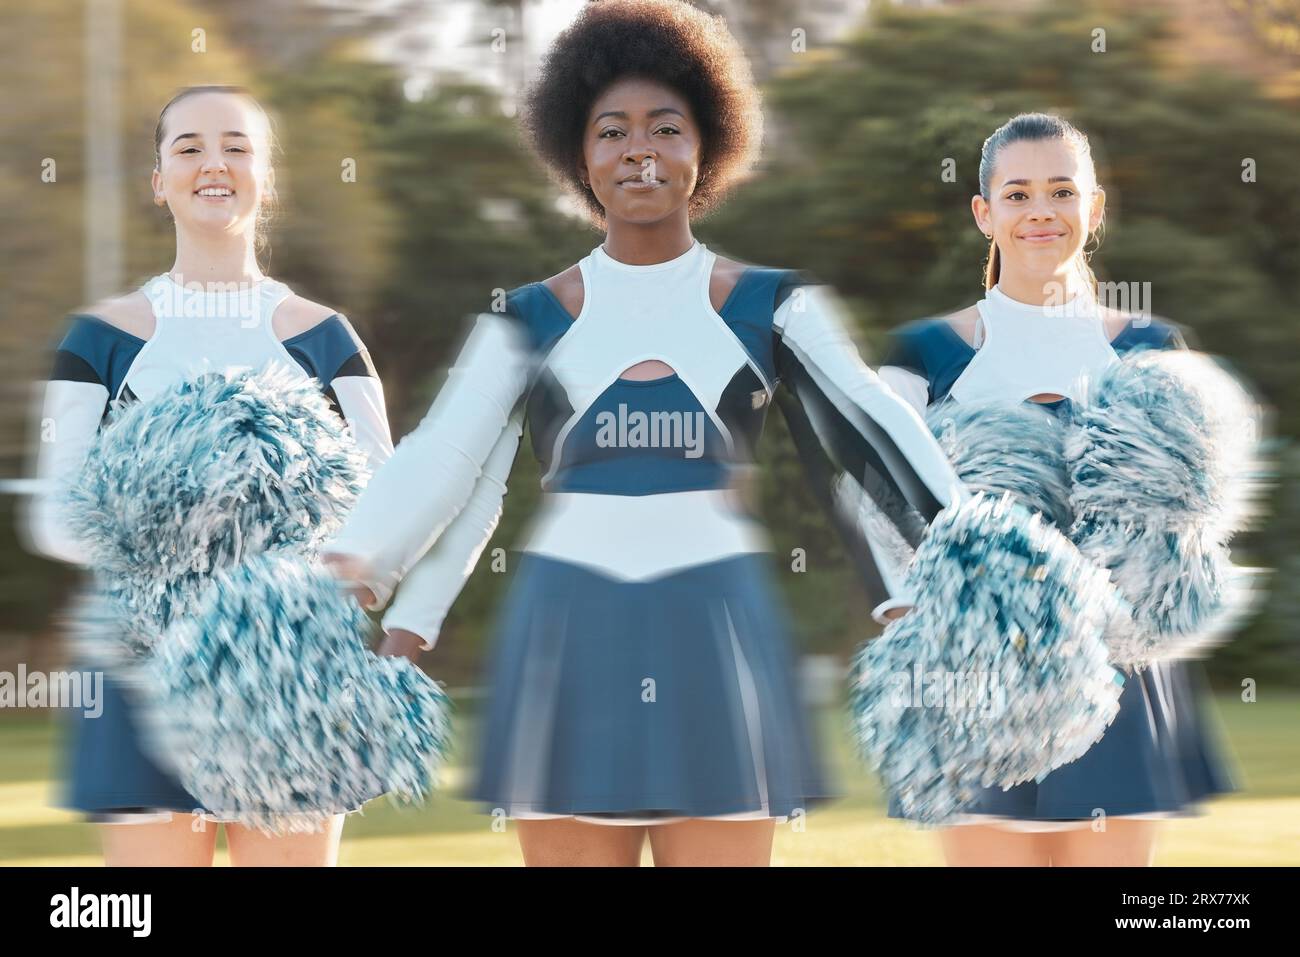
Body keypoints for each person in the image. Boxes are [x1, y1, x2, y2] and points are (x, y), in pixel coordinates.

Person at [323, 0, 972, 867]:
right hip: (567, 630)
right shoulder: (524, 318)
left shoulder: (774, 305)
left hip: (717, 628)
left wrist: (966, 556)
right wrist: (352, 570)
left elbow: (868, 423)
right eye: (611, 131)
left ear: (707, 146)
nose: (639, 149)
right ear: (578, 154)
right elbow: (445, 460)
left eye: (667, 127)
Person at [23, 85, 499, 866]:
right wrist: (184, 541)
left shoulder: (325, 337)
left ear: (266, 178)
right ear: (159, 180)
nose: (215, 163)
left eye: (237, 147)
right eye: (189, 147)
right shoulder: (98, 338)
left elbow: (392, 500)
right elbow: (52, 512)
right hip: (141, 666)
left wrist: (295, 589)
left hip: (291, 670)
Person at [871, 112, 1233, 866]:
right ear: (985, 212)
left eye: (1062, 191)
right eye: (1018, 193)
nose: (1041, 211)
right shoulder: (923, 351)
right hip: (974, 669)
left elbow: (1188, 522)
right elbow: (881, 504)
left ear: (1093, 208)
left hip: (1119, 670)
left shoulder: (1152, 348)